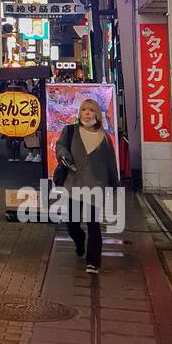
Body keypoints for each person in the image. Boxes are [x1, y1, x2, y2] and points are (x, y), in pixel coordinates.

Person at [54, 98, 119, 274]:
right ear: (79, 113)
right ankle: (79, 239)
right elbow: (59, 146)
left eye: (91, 110)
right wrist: (63, 154)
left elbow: (110, 163)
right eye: (84, 110)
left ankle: (93, 261)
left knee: (93, 223)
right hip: (74, 184)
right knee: (72, 222)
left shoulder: (104, 138)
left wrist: (115, 184)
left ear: (97, 114)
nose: (87, 113)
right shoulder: (70, 131)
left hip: (96, 186)